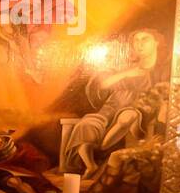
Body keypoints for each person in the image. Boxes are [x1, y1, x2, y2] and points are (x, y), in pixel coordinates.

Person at [64, 29, 165, 177]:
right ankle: (91, 165)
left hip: (139, 108)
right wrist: (127, 73)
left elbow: (163, 95)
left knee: (127, 117)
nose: (140, 44)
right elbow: (104, 84)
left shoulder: (161, 70)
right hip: (110, 109)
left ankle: (102, 147)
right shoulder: (127, 67)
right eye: (136, 40)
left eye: (145, 39)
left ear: (157, 42)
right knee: (86, 124)